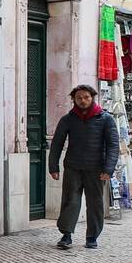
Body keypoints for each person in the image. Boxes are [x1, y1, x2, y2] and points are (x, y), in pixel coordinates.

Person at [48, 84, 120, 250]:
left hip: (96, 169)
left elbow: (113, 145)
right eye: (79, 98)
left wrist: (108, 169)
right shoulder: (68, 119)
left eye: (86, 97)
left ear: (92, 97)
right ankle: (66, 235)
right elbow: (57, 143)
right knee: (70, 201)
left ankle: (92, 237)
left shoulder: (105, 119)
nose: (82, 100)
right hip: (73, 166)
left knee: (95, 203)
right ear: (73, 99)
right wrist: (53, 167)